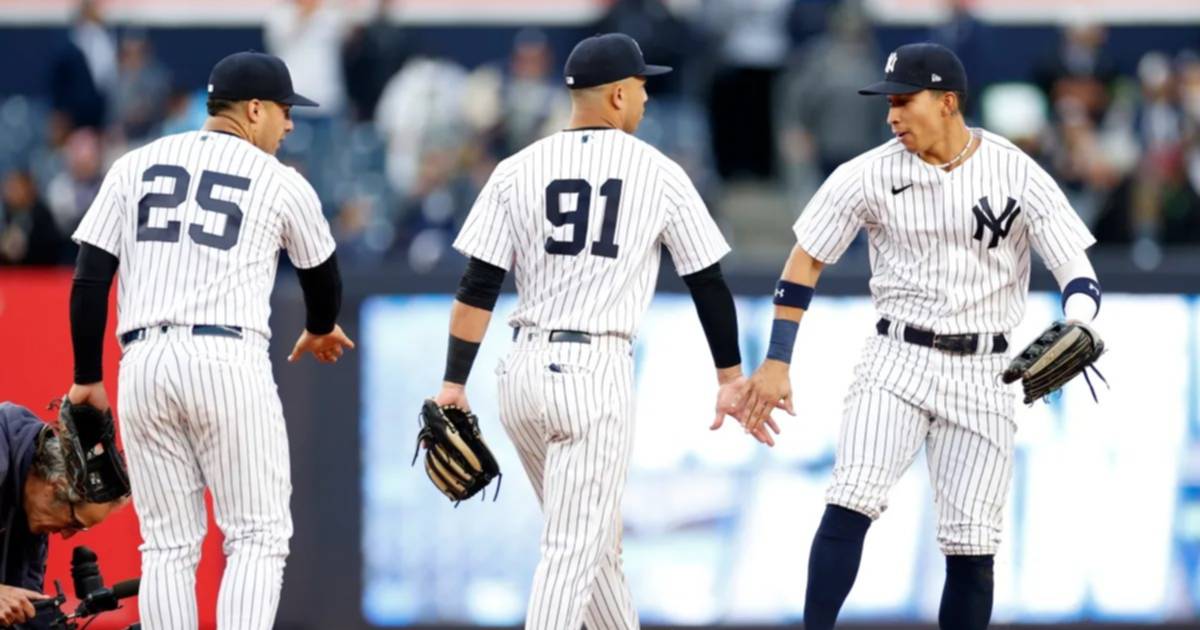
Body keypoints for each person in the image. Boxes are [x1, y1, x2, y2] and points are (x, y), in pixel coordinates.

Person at [740, 43, 1101, 629]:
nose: (892, 115)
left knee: (972, 548)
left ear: (948, 102)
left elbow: (1075, 268)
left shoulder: (1015, 170)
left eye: (905, 101)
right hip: (895, 358)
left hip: (985, 368)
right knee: (850, 501)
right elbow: (805, 260)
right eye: (890, 103)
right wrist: (778, 360)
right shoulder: (869, 172)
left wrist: (1081, 317)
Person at [429, 33, 775, 630]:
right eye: (641, 87)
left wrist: (453, 383)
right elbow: (708, 282)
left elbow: (477, 285)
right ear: (616, 94)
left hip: (522, 376)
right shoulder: (657, 171)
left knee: (595, 547)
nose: (644, 98)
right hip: (593, 376)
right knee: (571, 551)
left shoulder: (516, 168)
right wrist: (730, 376)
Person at [66, 51, 354, 630]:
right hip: (226, 358)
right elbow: (323, 277)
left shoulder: (135, 164)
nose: (290, 123)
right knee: (257, 534)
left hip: (142, 360)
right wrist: (320, 326)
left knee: (168, 545)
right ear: (252, 110)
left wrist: (86, 376)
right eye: (283, 110)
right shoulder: (279, 180)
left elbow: (91, 275)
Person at [0, 402, 128, 627]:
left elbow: (27, 608)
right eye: (73, 522)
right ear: (56, 484)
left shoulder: (33, 510)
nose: (67, 535)